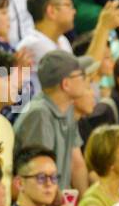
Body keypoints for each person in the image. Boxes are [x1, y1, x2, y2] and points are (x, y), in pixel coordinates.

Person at [12, 51, 91, 192]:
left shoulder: (67, 110)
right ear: (66, 84)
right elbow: (39, 172)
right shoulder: (39, 114)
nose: (87, 81)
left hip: (56, 204)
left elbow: (76, 163)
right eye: (81, 76)